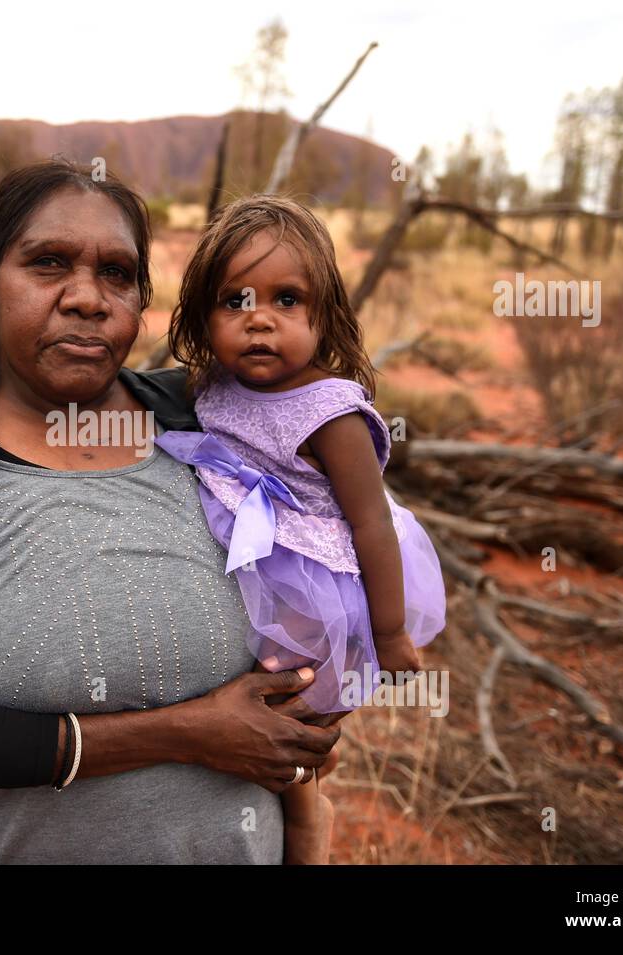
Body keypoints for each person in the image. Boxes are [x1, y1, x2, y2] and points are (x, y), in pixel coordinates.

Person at [0, 160, 343, 864]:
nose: (87, 297)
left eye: (117, 273)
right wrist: (188, 732)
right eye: (48, 263)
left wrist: (305, 819)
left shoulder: (207, 422)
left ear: (142, 301)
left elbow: (314, 598)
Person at [154, 193, 447, 839]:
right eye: (236, 301)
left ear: (325, 314)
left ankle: (305, 819)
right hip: (252, 566)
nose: (259, 321)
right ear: (204, 316)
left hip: (318, 590)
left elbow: (371, 523)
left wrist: (393, 634)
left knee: (293, 714)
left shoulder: (332, 413)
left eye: (286, 300)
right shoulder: (213, 385)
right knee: (240, 703)